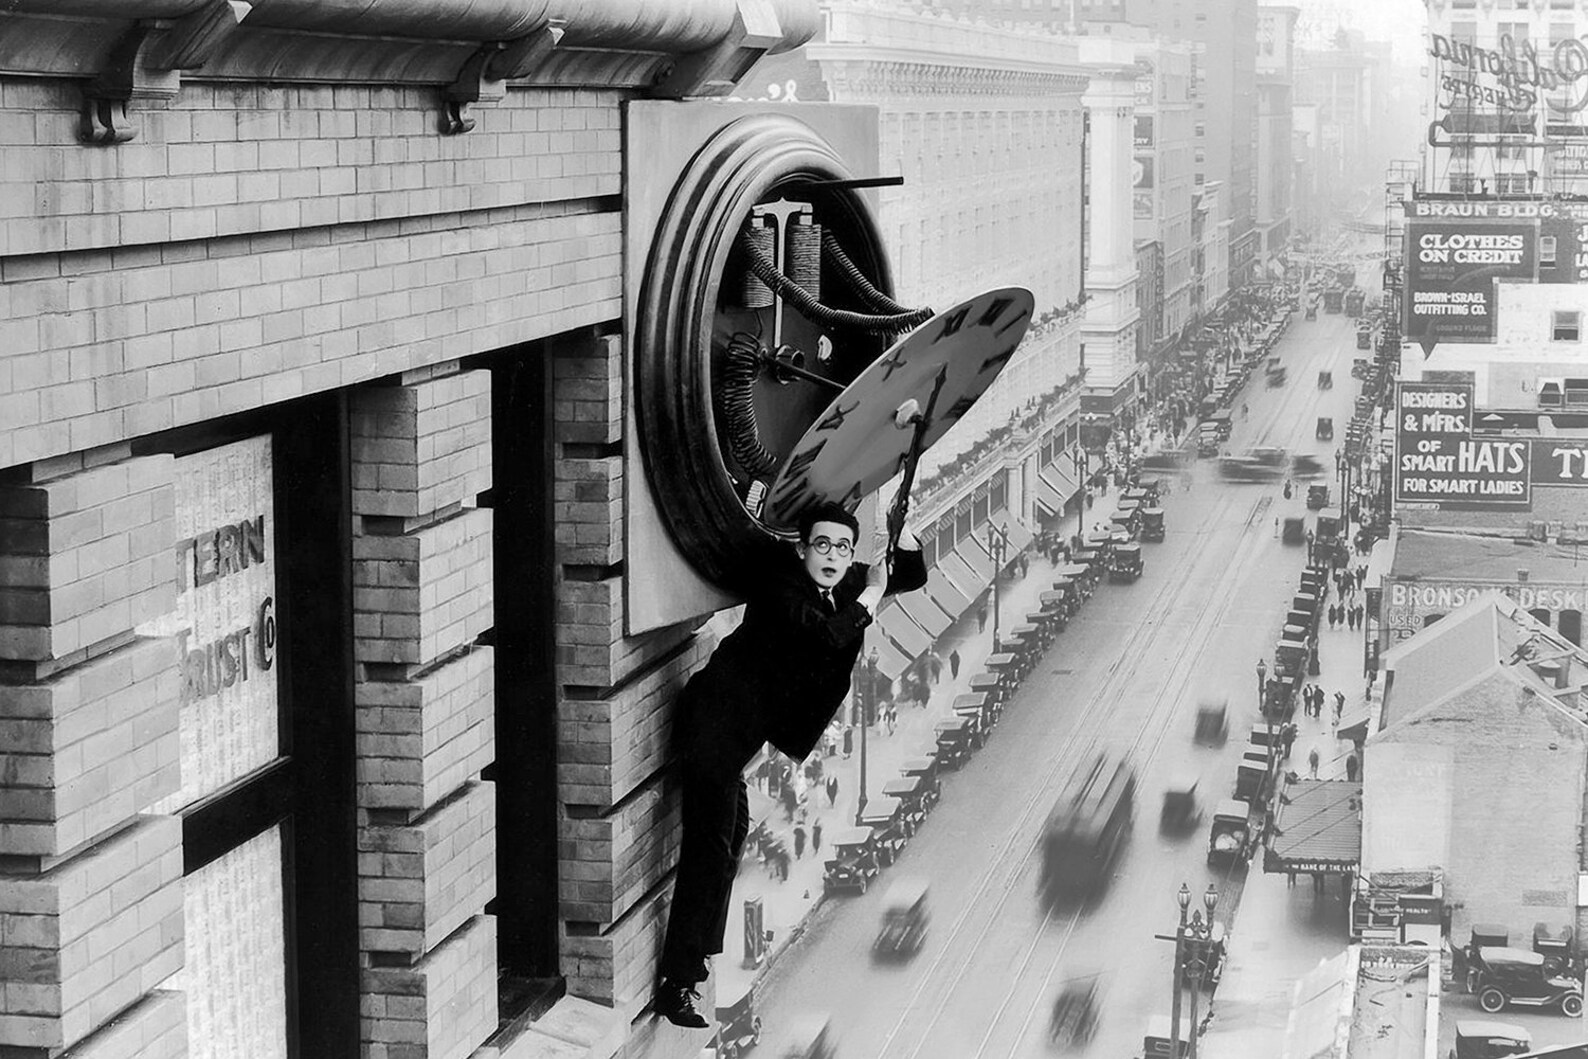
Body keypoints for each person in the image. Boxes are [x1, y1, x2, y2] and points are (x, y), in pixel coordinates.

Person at [654, 501, 928, 1029]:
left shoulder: (842, 588)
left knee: (731, 837)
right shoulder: (781, 586)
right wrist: (871, 592)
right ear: (802, 549)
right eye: (821, 545)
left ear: (851, 556)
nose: (831, 555)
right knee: (709, 851)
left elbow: (909, 576)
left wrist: (903, 526)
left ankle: (697, 961)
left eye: (843, 548)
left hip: (739, 740)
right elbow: (823, 636)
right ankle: (679, 983)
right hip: (712, 725)